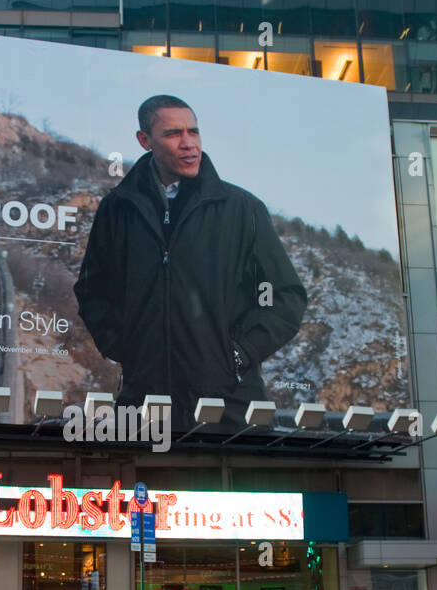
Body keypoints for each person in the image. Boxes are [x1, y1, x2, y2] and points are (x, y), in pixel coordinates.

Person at [74, 95, 307, 430]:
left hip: (231, 407)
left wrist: (237, 355)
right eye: (173, 134)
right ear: (145, 141)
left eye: (193, 132)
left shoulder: (242, 209)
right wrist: (127, 349)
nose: (188, 144)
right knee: (144, 485)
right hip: (143, 406)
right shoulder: (118, 209)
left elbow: (286, 297)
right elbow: (93, 291)